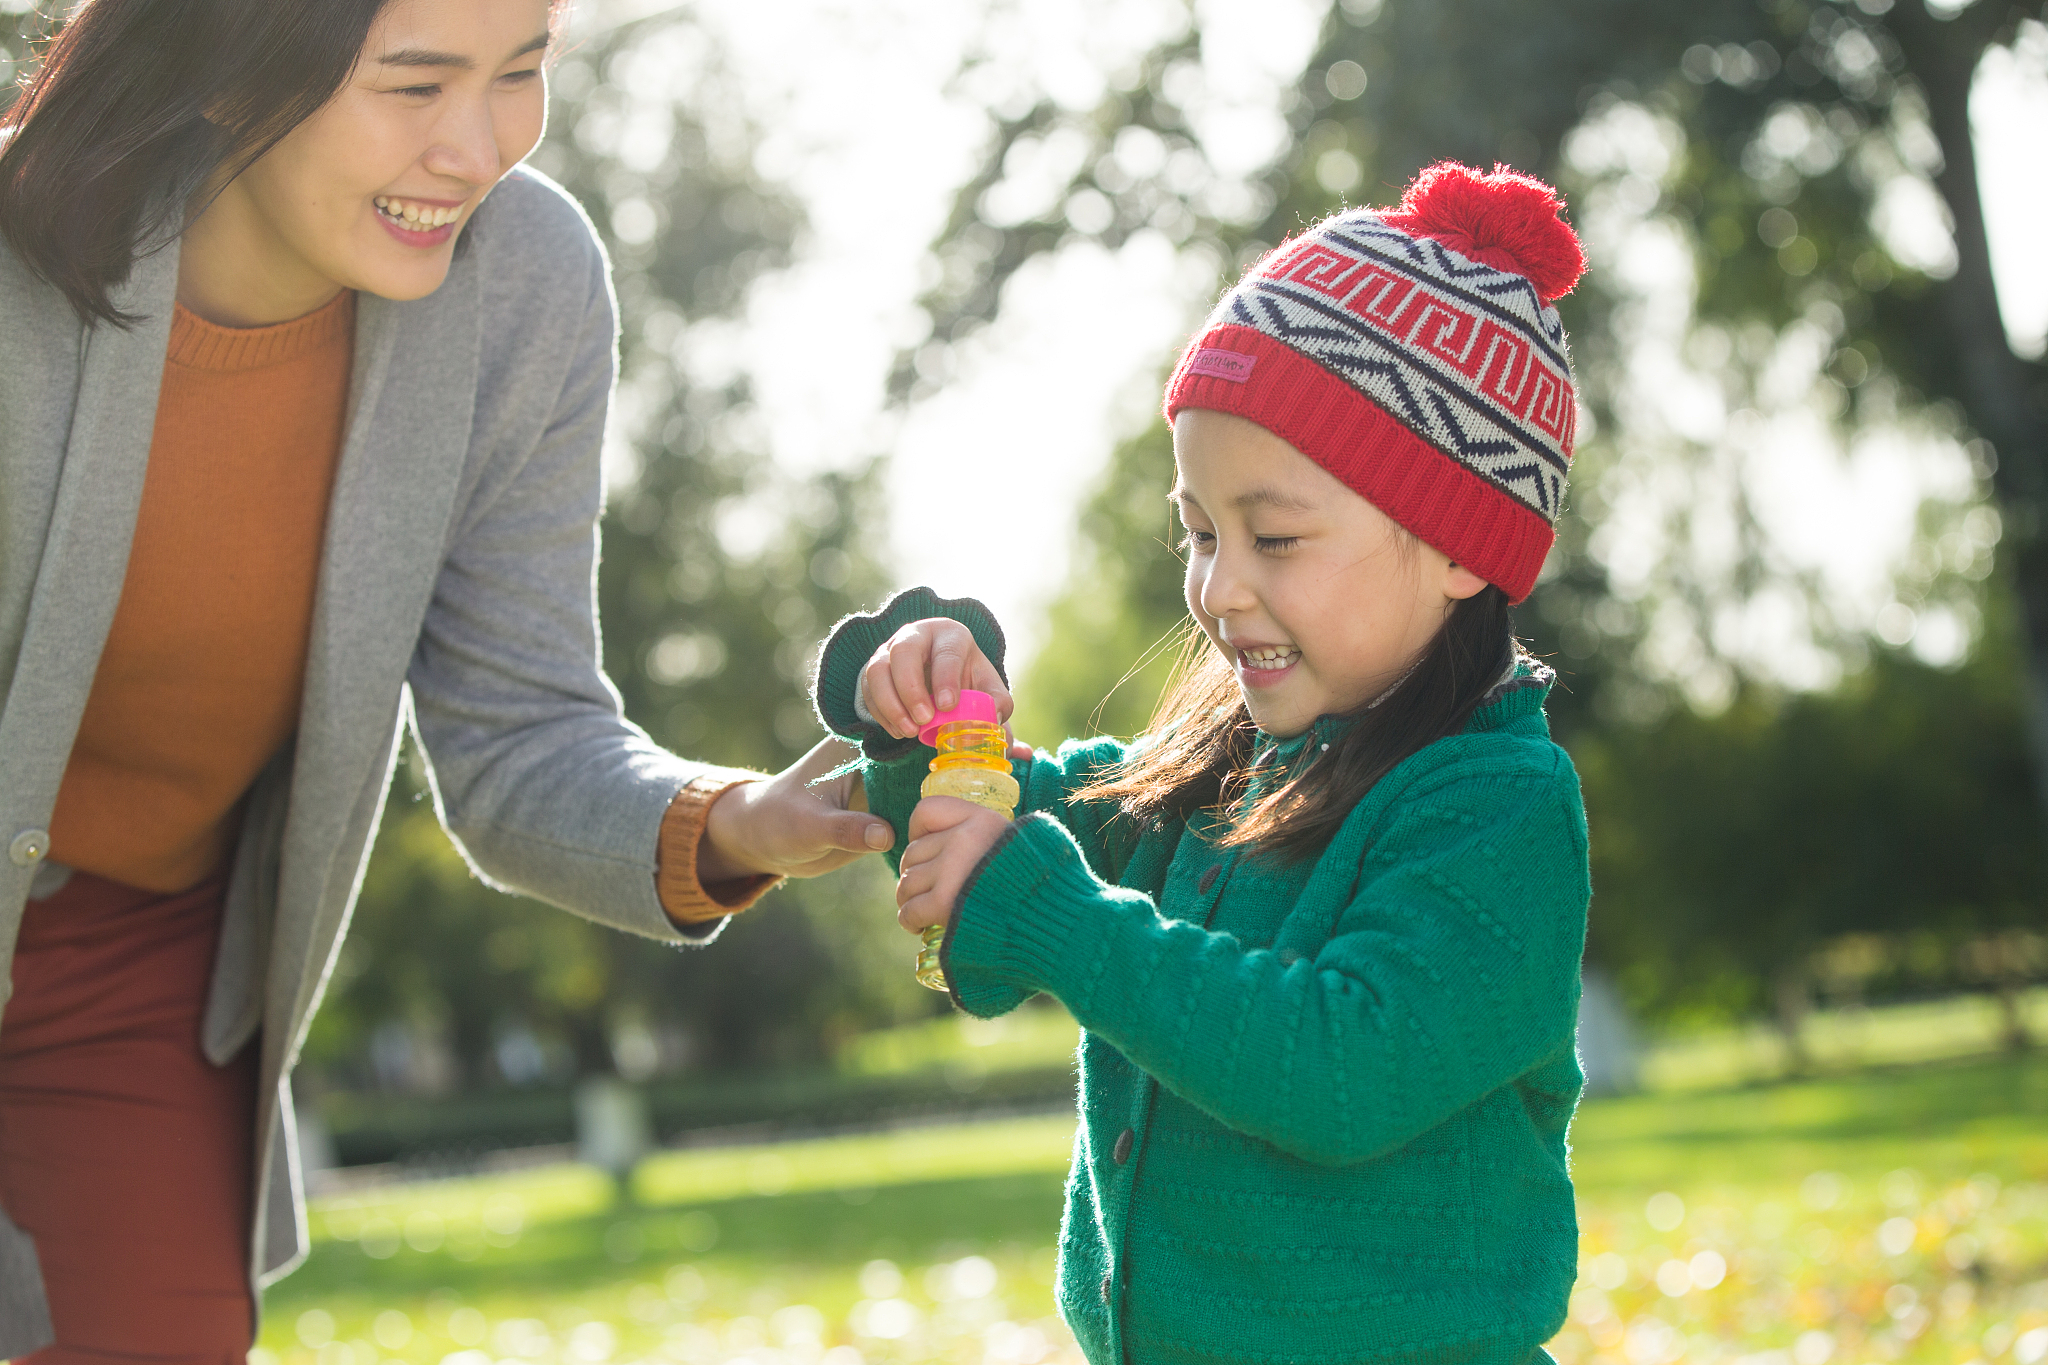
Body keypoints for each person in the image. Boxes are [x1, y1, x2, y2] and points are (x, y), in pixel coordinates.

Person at [0, 0, 891, 1355]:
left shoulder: (523, 285)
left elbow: (516, 729)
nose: (477, 150)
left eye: (519, 73)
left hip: (141, 961)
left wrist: (734, 821)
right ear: (230, 62)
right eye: (414, 86)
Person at [813, 163, 1596, 1363]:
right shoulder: (1226, 771)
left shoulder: (1496, 808)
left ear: (1456, 544)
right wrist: (930, 723)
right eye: (1196, 531)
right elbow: (1031, 819)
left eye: (1271, 537)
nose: (1217, 587)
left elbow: (1341, 1069)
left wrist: (1053, 916)